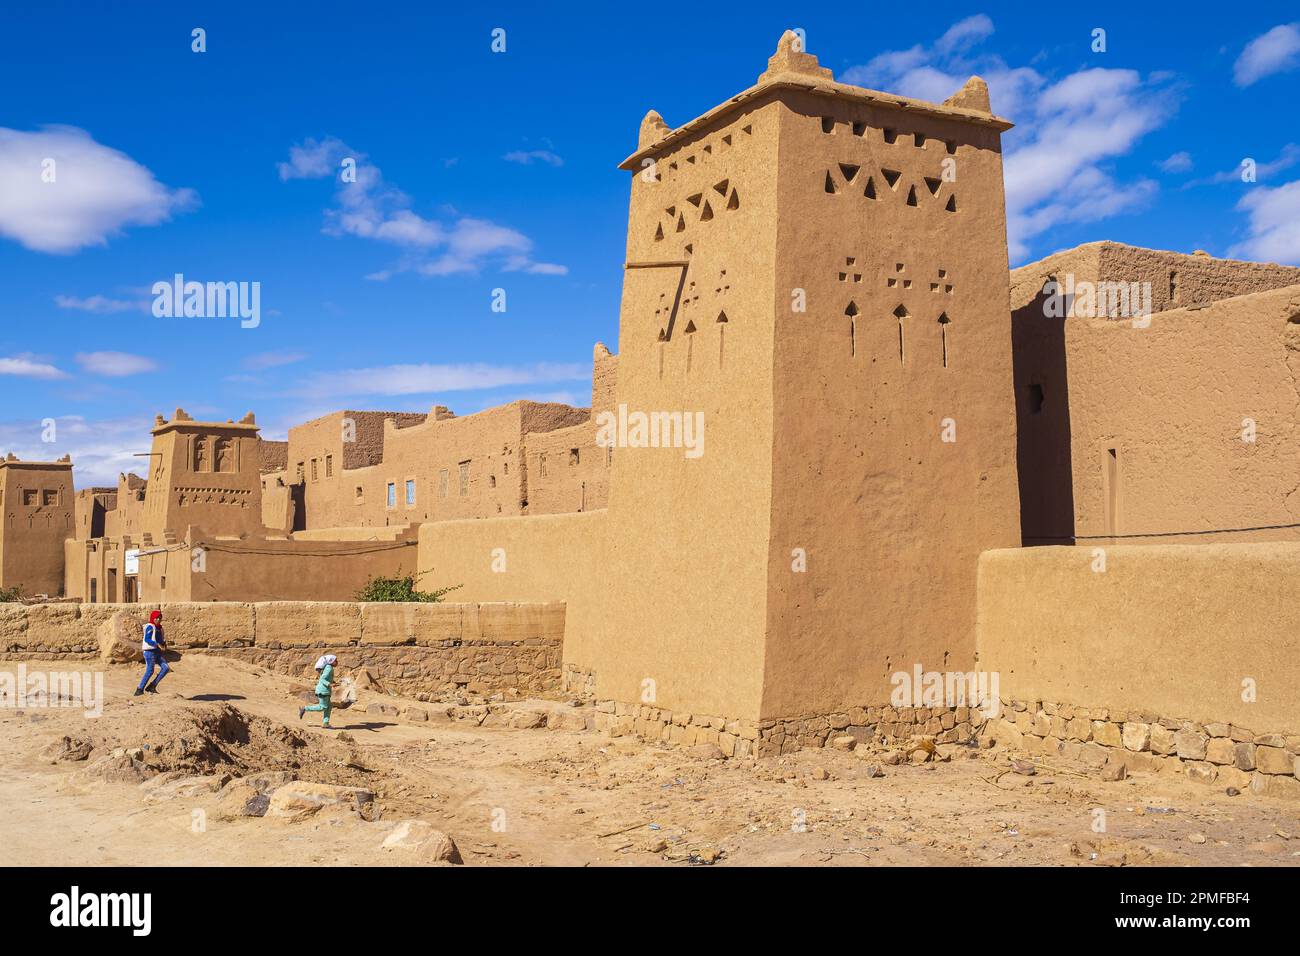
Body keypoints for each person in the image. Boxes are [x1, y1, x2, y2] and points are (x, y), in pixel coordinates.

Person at [134, 609, 170, 696]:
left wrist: (163, 644)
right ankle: (139, 689)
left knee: (166, 668)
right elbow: (147, 639)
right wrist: (157, 644)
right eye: (156, 618)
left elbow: (160, 640)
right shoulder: (150, 626)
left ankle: (152, 686)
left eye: (159, 618)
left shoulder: (160, 628)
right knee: (150, 671)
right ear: (152, 618)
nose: (158, 620)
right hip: (150, 652)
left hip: (157, 652)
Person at [300, 654, 337, 729]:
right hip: (323, 691)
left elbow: (326, 678)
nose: (337, 662)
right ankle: (304, 708)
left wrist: (333, 681)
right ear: (331, 661)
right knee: (322, 707)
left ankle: (325, 723)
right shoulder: (329, 668)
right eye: (335, 660)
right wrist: (329, 684)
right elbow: (322, 679)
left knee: (329, 706)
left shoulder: (328, 667)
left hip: (324, 690)